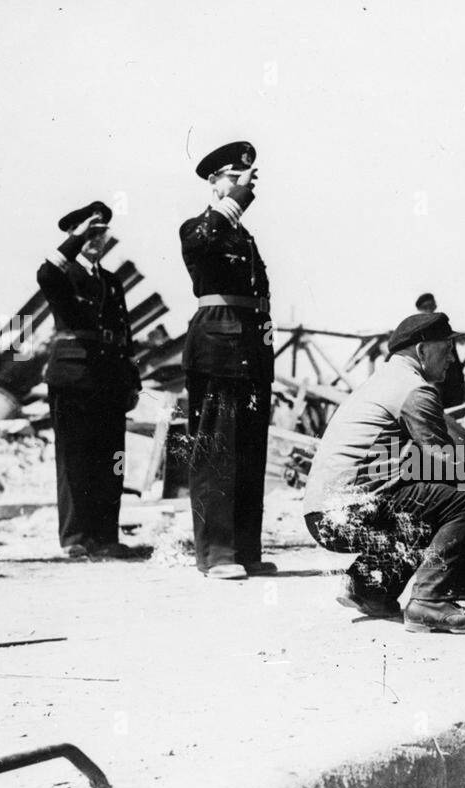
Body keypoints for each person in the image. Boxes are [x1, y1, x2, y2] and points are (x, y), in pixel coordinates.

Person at [303, 312, 465, 634]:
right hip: (345, 512)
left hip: (322, 515)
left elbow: (418, 466)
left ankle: (368, 589)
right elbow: (444, 463)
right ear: (421, 351)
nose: (451, 360)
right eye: (445, 350)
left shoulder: (379, 382)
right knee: (464, 497)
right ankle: (432, 602)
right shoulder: (414, 389)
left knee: (427, 503)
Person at [179, 140, 276, 581]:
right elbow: (207, 237)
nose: (245, 185)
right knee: (216, 449)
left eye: (247, 178)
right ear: (213, 182)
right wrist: (239, 194)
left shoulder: (244, 238)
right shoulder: (198, 228)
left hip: (251, 347)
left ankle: (244, 548)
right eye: (235, 178)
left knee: (249, 451)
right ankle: (216, 554)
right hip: (217, 346)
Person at [36, 201, 142, 557]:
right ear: (73, 235)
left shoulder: (111, 281)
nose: (96, 240)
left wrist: (132, 379)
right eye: (89, 233)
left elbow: (124, 332)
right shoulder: (62, 275)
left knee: (111, 456)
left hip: (109, 376)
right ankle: (76, 538)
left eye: (101, 233)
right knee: (74, 457)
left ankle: (105, 536)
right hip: (74, 374)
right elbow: (46, 273)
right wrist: (75, 240)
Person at [417, 292, 465, 409]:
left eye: (431, 307)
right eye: (425, 308)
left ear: (435, 307)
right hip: (435, 382)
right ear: (420, 311)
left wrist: (461, 381)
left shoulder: (444, 328)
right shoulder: (418, 333)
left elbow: (454, 358)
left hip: (451, 382)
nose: (429, 310)